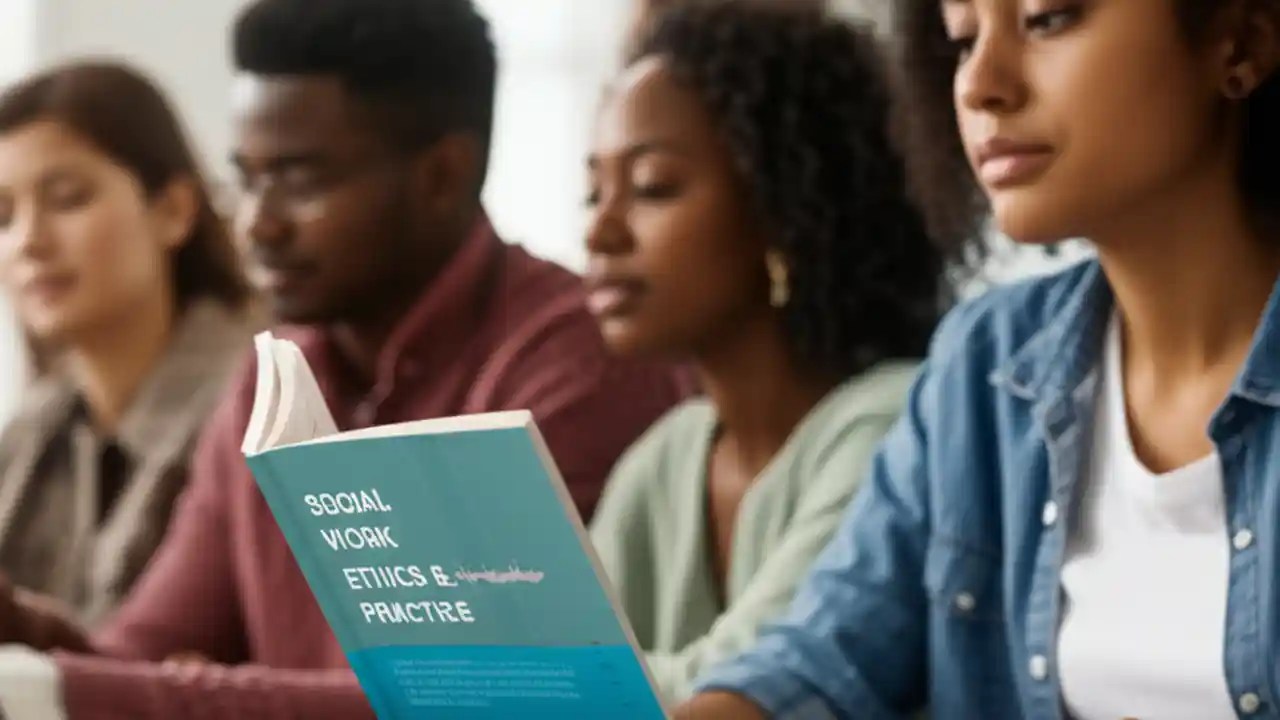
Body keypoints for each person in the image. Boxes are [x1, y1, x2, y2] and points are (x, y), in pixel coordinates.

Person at [0, 0, 688, 717]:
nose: (258, 224)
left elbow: (473, 701)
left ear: (442, 175)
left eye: (300, 181)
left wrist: (67, 686)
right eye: (248, 180)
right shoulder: (272, 377)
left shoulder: (574, 365)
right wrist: (19, 627)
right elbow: (138, 654)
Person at [676, 0, 1280, 718]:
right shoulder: (984, 366)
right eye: (962, 40)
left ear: (1239, 43)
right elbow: (823, 659)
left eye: (1047, 18)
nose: (979, 85)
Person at [586, 0, 941, 704]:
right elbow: (555, 667)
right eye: (592, 192)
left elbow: (746, 692)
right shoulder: (665, 459)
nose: (601, 232)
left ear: (783, 206)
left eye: (652, 187)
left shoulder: (894, 426)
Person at [0, 62, 257, 626]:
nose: (28, 241)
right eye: (3, 216)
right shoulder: (32, 430)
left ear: (173, 210)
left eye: (67, 199)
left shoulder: (260, 403)